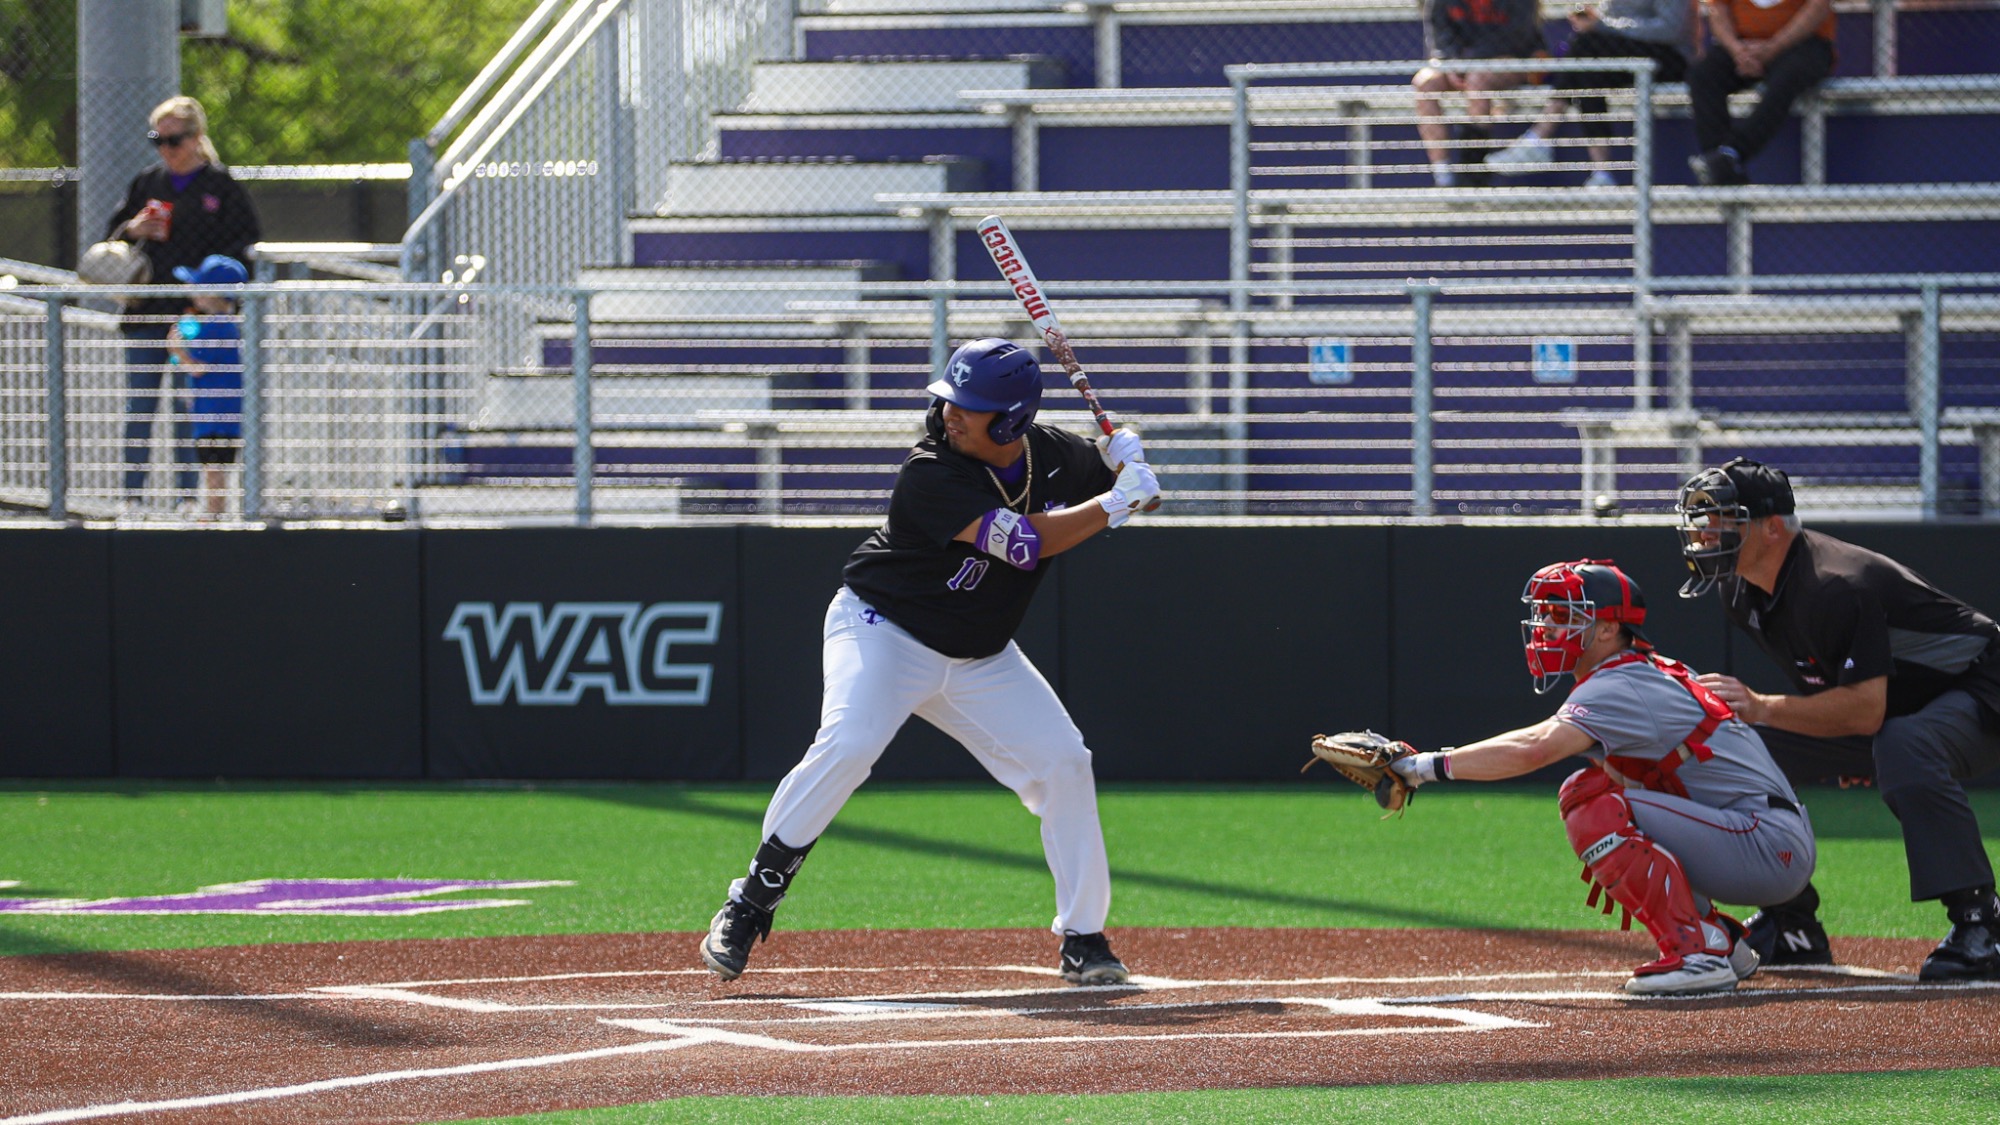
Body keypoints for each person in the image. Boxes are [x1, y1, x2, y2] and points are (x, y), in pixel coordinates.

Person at [699, 338, 1162, 985]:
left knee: (1065, 762)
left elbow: (1142, 497)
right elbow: (1023, 544)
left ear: (1010, 421)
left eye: (968, 408)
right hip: (883, 630)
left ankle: (1083, 936)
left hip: (979, 656)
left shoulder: (1056, 456)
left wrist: (1128, 463)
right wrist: (1117, 500)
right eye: (950, 402)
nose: (951, 415)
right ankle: (750, 903)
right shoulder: (930, 473)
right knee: (850, 743)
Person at [1384, 559, 1814, 994]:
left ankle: (1698, 953)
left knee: (1590, 801)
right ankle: (1721, 941)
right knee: (1602, 789)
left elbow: (1534, 748)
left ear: (1608, 628)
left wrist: (1422, 768)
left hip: (1765, 843)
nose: (1546, 628)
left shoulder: (1620, 683)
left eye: (1564, 615)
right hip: (1762, 837)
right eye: (1545, 614)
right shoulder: (1633, 672)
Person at [1676, 459, 2000, 979]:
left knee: (1903, 744)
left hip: (1979, 684)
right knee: (1730, 745)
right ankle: (1791, 922)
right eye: (1702, 518)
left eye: (1722, 518)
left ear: (1772, 527)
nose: (1706, 531)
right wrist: (1825, 730)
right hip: (1897, 702)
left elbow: (1867, 709)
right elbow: (1835, 689)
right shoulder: (1738, 590)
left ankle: (1981, 926)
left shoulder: (1836, 584)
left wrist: (1765, 706)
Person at [103, 95, 261, 508]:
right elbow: (111, 240)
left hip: (195, 320)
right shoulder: (147, 182)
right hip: (146, 313)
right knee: (141, 404)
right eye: (159, 139)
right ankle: (131, 499)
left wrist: (214, 296)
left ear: (196, 138)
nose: (167, 148)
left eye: (175, 139)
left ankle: (187, 498)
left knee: (187, 407)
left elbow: (245, 248)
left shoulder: (220, 187)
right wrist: (133, 228)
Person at [1483, 0, 1695, 187]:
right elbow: (1614, 23)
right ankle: (1601, 172)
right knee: (1586, 73)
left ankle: (1540, 135)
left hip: (1669, 57)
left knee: (1584, 47)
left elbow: (1670, 30)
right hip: (1626, 50)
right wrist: (1595, 20)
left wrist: (1605, 26)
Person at [1683, 0, 1835, 184]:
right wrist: (1736, 49)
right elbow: (1718, 9)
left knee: (1789, 77)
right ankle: (1722, 169)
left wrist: (1772, 47)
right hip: (1742, 45)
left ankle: (1732, 152)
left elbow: (1818, 7)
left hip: (1803, 43)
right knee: (1703, 76)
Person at [1414, 0, 1549, 187]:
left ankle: (1473, 170)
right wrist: (1451, 62)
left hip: (1511, 60)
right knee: (1424, 82)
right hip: (1459, 63)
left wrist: (1468, 64)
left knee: (1478, 79)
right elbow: (1440, 38)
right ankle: (1443, 177)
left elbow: (1517, 37)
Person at [164, 255, 248, 518]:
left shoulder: (217, 327)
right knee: (214, 466)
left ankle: (214, 515)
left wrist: (176, 348)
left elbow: (197, 366)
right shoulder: (217, 325)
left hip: (217, 414)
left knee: (214, 466)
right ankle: (215, 512)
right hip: (213, 411)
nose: (193, 292)